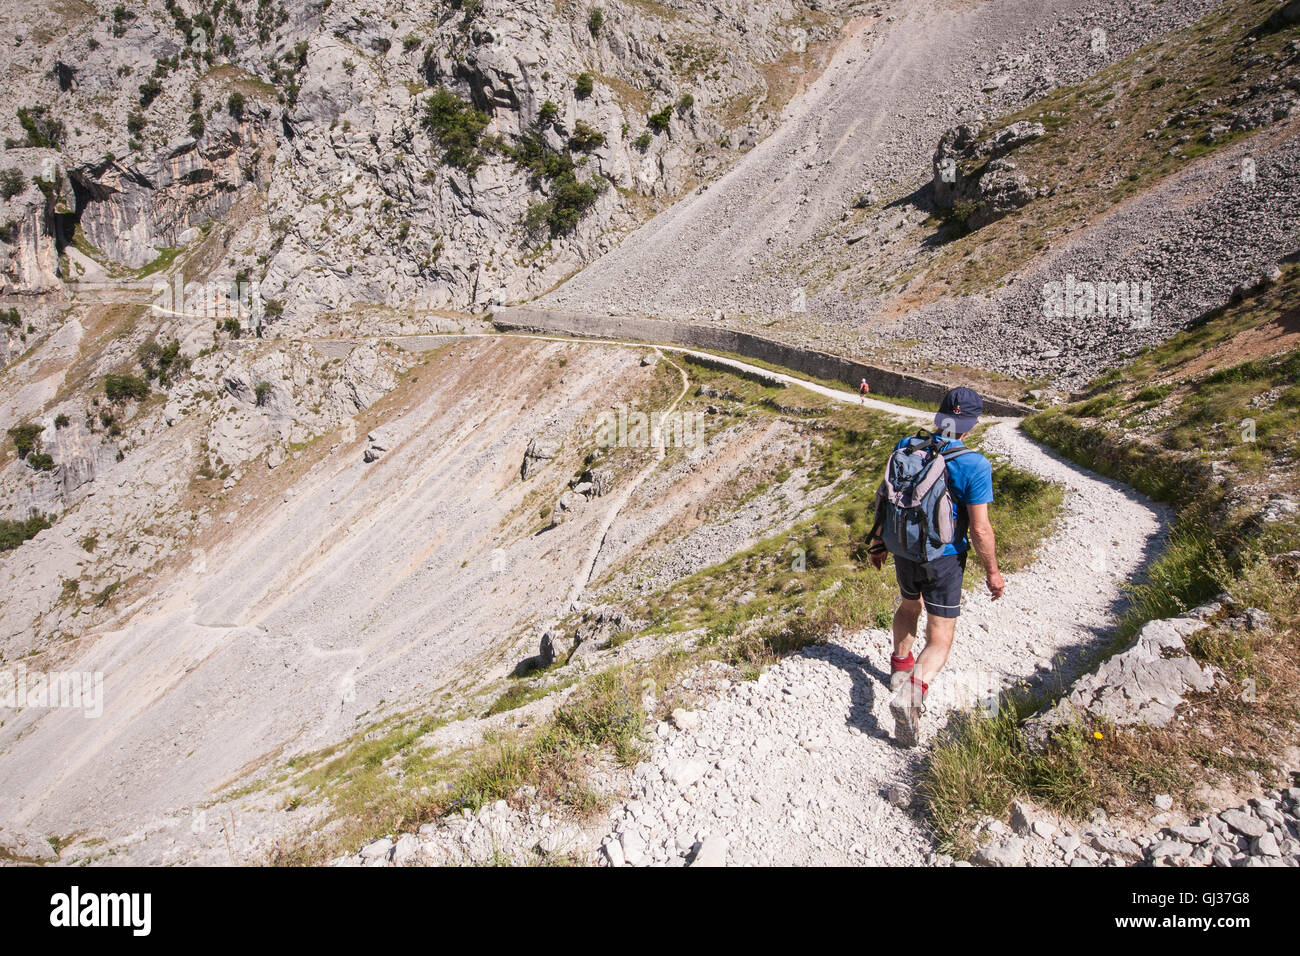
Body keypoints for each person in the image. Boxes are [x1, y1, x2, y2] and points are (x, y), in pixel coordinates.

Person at [867, 386, 1004, 747]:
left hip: (904, 548)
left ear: (939, 413)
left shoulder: (906, 446)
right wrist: (992, 571)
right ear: (971, 424)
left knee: (909, 606)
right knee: (940, 637)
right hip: (943, 558)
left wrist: (879, 541)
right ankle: (910, 693)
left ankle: (899, 670)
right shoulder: (974, 464)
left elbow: (886, 498)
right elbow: (980, 528)